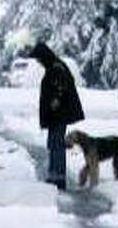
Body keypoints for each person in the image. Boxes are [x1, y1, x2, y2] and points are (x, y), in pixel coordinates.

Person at [31, 40, 84, 189]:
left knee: (57, 144)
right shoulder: (54, 66)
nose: (39, 62)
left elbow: (61, 87)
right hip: (56, 114)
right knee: (54, 144)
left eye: (39, 59)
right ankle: (55, 175)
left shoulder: (56, 67)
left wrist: (55, 102)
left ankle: (58, 178)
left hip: (59, 114)